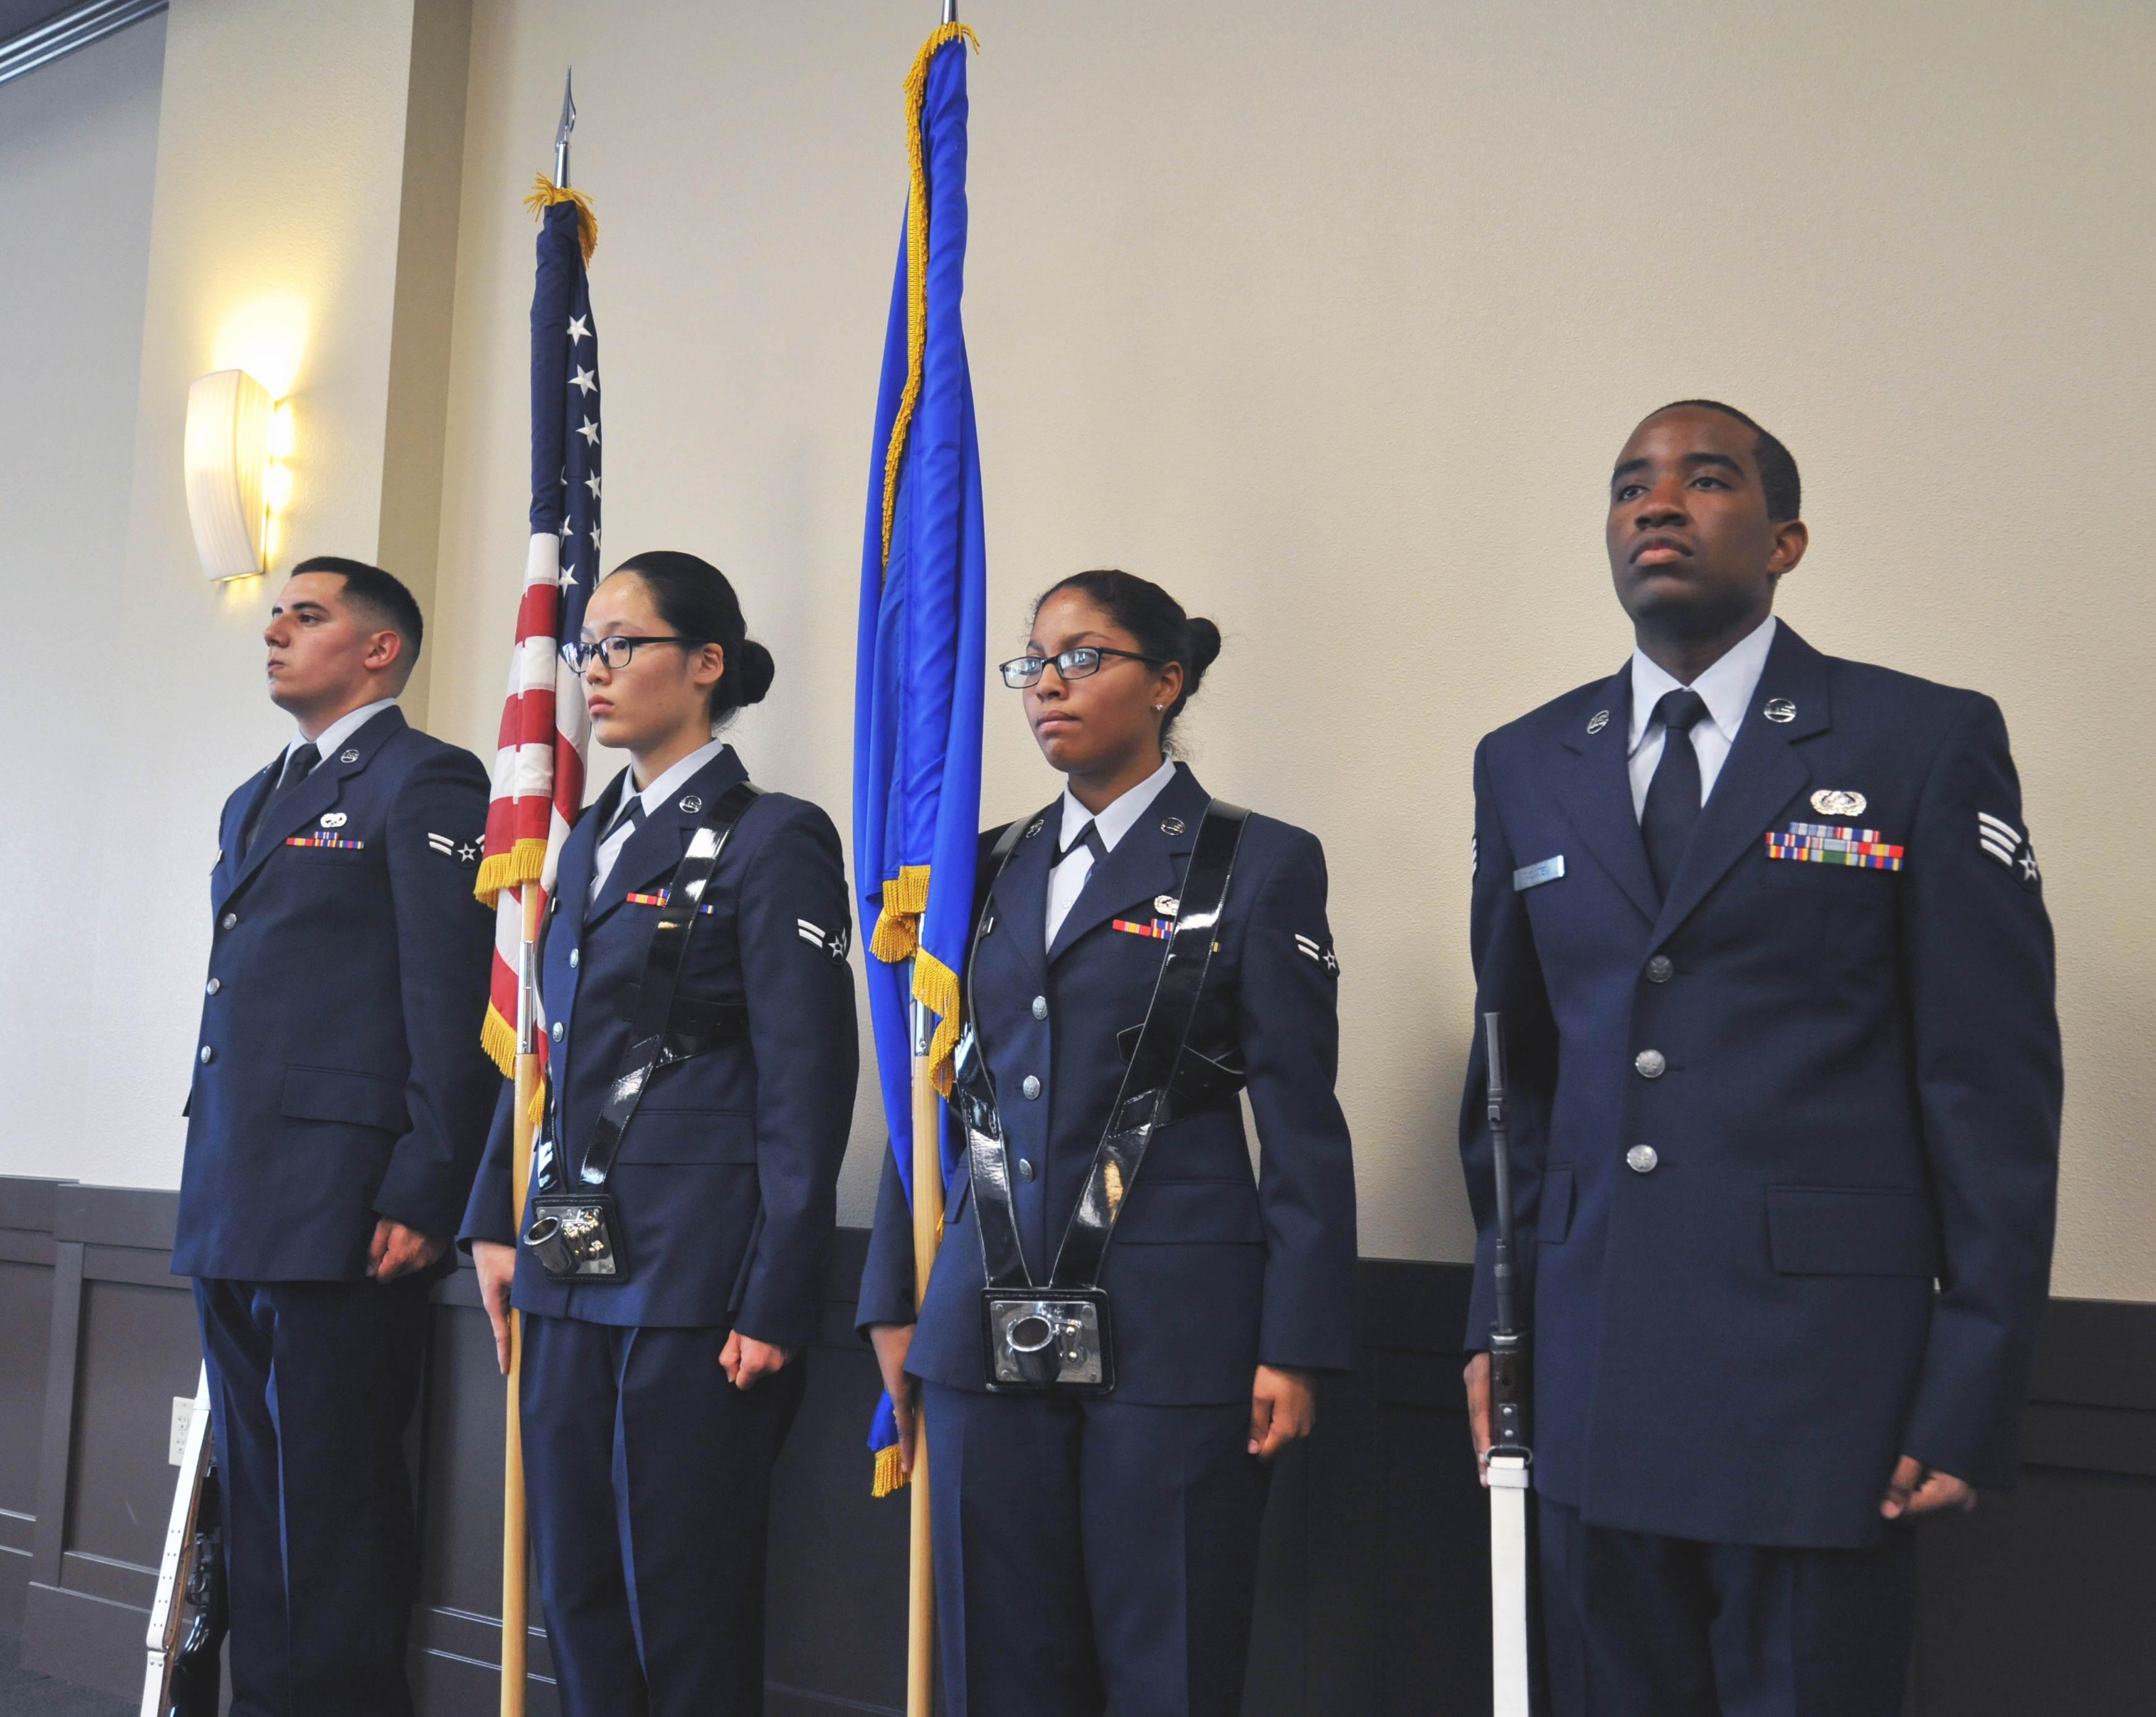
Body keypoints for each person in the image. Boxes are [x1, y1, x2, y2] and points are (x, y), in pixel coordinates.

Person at [1459, 401, 2062, 1716]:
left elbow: (1991, 1089)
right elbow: (1511, 1084)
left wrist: (1968, 1390)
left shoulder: (1915, 741)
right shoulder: (1526, 761)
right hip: (1591, 1369)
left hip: (1820, 1390)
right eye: (1630, 486)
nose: (1656, 505)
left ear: (1785, 540)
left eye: (1705, 480)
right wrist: (1494, 1329)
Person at [858, 569, 1358, 1717]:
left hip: (1176, 1335)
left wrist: (1295, 1345)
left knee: (1165, 1666)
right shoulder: (977, 869)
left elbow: (1301, 1125)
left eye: (1082, 657)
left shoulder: (1256, 862)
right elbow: (935, 1093)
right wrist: (894, 1294)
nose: (1048, 684)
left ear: (1167, 681)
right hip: (980, 1321)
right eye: (1032, 663)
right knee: (1000, 1669)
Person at [461, 551, 857, 1717]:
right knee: (576, 1584)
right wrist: (494, 1217)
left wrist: (778, 1295)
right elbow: (548, 1046)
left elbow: (807, 1082)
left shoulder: (774, 836)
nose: (593, 668)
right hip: (565, 1263)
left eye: (622, 643)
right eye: (587, 646)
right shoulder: (584, 839)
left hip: (693, 1275)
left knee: (682, 1598)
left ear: (706, 663)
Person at [172, 556, 497, 1717]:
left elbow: (452, 1001)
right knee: (258, 1508)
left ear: (379, 649)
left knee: (334, 1512)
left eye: (306, 617)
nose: (275, 631)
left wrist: (425, 1185)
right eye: (275, 614)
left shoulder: (426, 780)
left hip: (348, 1205)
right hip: (237, 1192)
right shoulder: (254, 796)